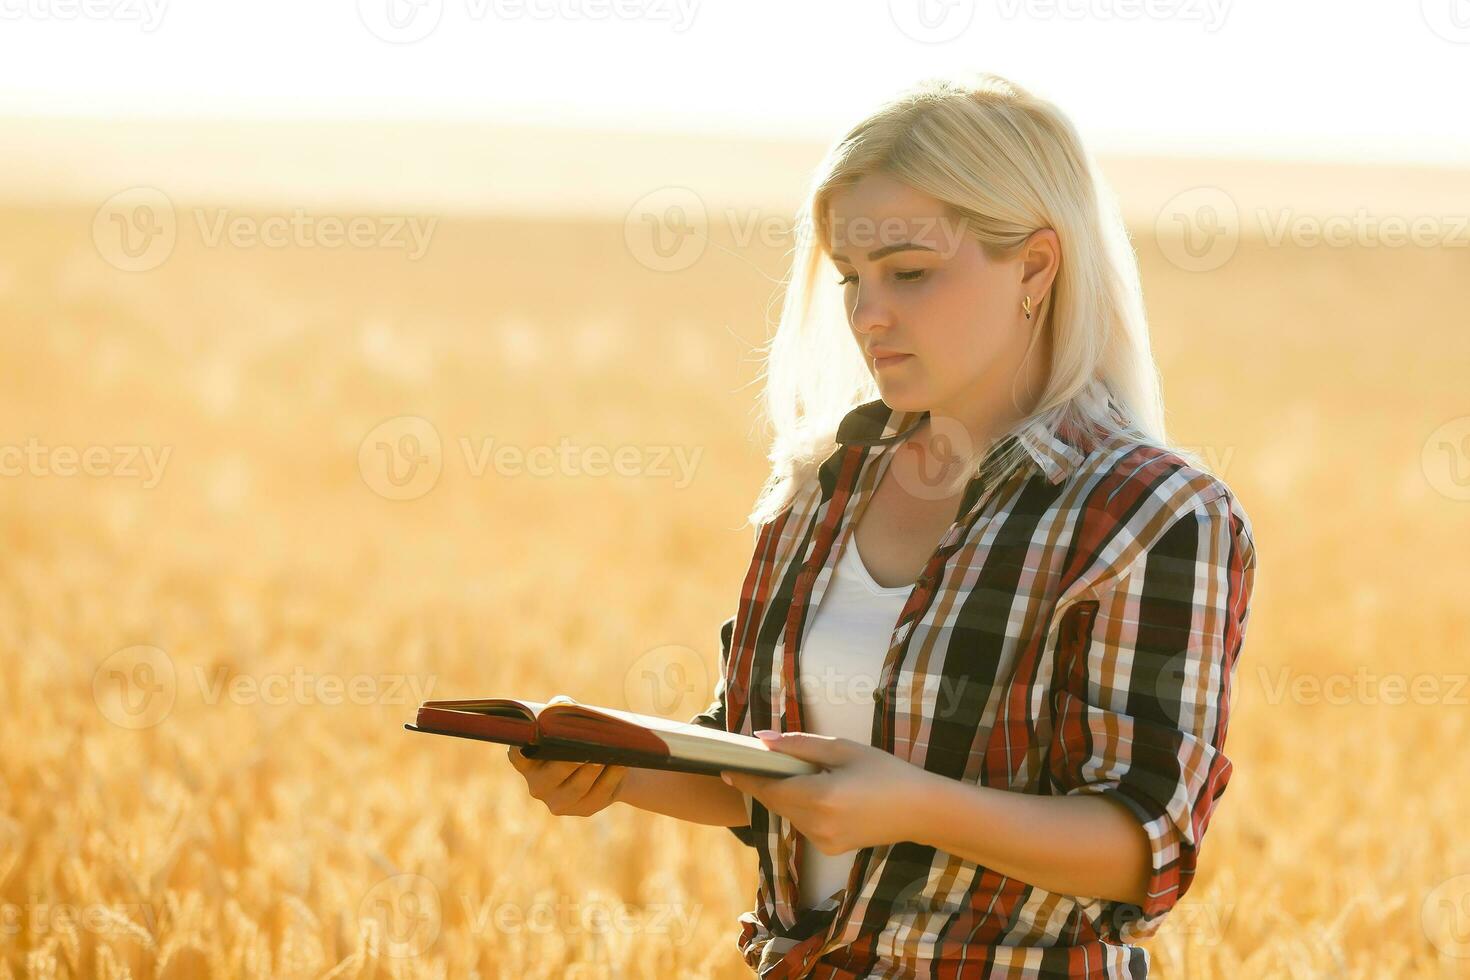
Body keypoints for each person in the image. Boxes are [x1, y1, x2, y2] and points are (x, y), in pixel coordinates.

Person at [507, 70, 1258, 978]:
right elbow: (765, 771)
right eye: (851, 277)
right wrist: (612, 768)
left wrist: (912, 806)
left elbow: (1147, 842)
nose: (868, 315)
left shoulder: (1152, 513)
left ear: (1035, 266)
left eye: (908, 272)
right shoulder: (824, 481)